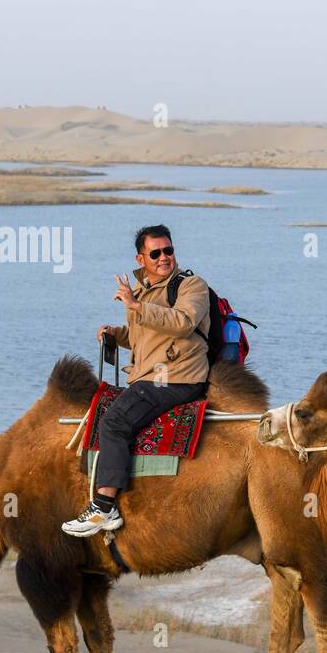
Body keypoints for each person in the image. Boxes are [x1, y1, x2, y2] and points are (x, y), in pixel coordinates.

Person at [61, 224, 211, 537]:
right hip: (150, 376)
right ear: (140, 258)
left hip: (178, 377)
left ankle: (104, 506)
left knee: (114, 422)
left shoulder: (191, 285)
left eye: (168, 250)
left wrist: (136, 306)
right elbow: (147, 336)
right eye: (155, 253)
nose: (163, 258)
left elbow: (182, 323)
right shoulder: (142, 291)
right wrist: (117, 334)